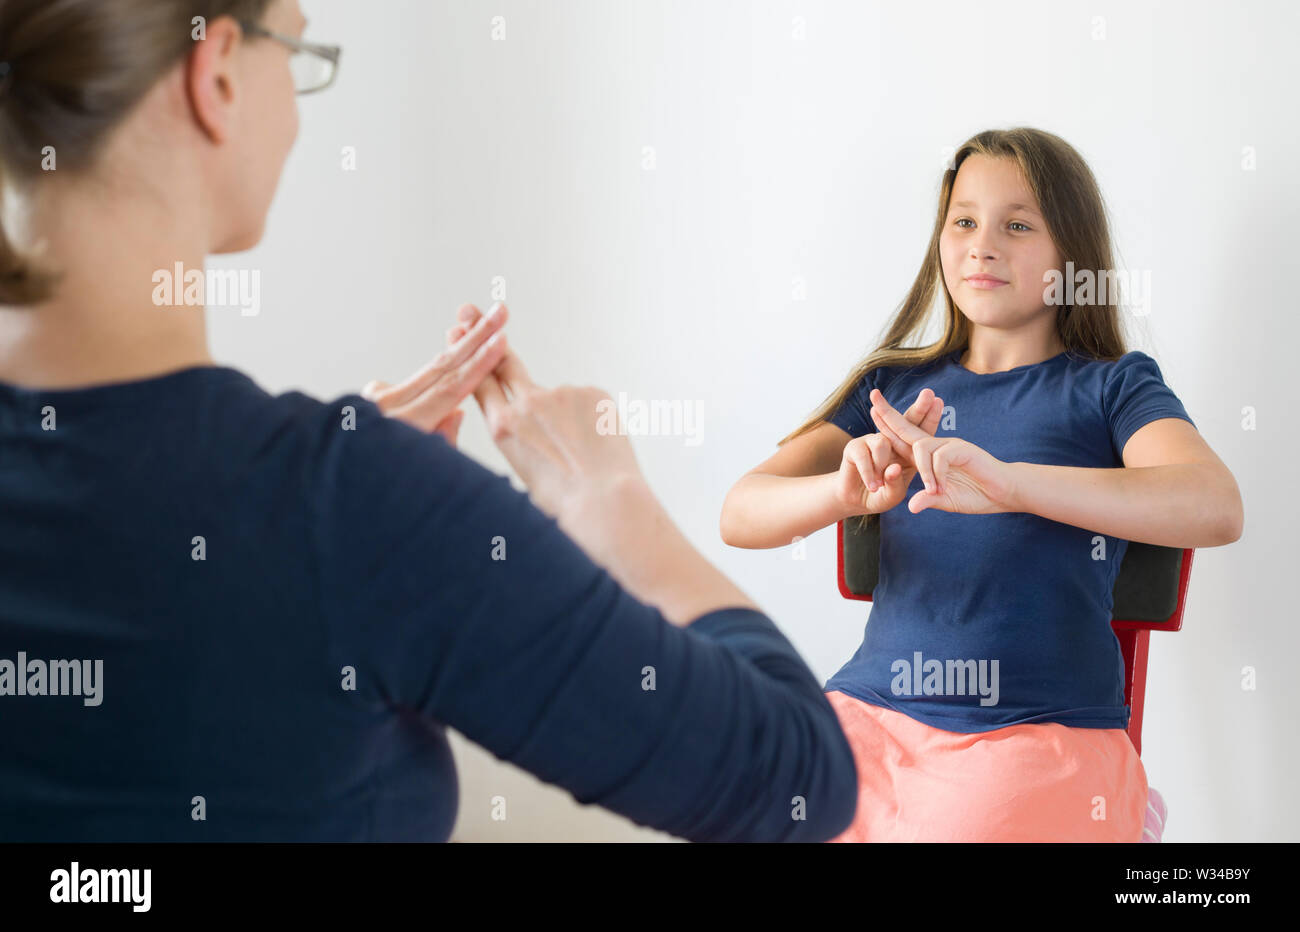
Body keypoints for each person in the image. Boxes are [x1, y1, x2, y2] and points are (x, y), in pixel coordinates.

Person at [0, 0, 858, 842]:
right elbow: (797, 778)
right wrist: (608, 501)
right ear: (216, 71)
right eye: (295, 53)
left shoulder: (338, 497)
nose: (298, 113)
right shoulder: (353, 504)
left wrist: (316, 484)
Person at [720, 128, 1244, 842]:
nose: (981, 244)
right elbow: (740, 512)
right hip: (869, 719)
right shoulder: (892, 386)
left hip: (1032, 738)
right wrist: (841, 493)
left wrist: (1014, 485)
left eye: (1018, 225)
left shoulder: (1111, 387)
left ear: (1072, 255)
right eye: (963, 220)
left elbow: (1214, 505)